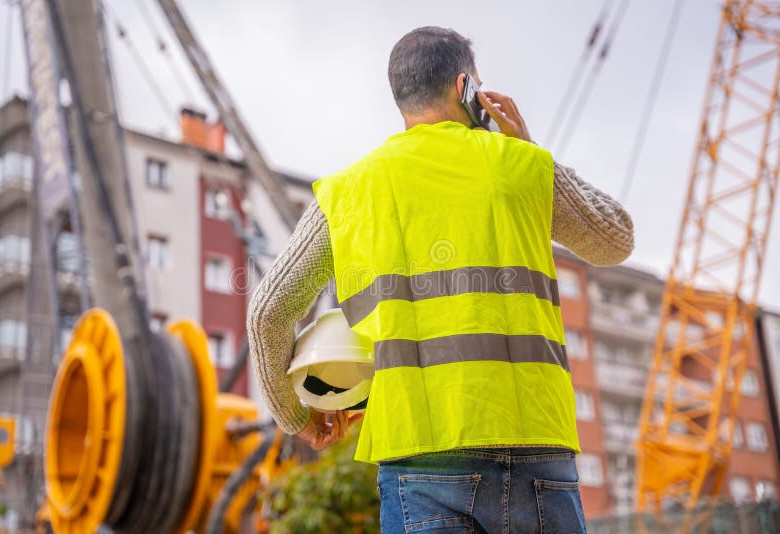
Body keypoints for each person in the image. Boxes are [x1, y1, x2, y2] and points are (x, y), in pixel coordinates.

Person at [248, 26, 634, 533]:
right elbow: (615, 238)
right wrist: (528, 150)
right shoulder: (519, 165)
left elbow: (267, 314)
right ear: (466, 88)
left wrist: (296, 417)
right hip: (534, 443)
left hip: (418, 457)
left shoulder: (348, 192)